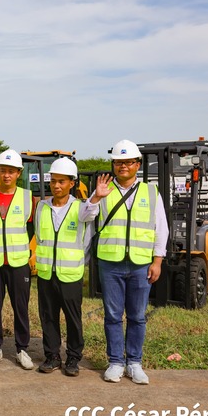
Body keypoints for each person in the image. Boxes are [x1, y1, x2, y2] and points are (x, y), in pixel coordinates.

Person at [81, 139, 168, 385]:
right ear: (113, 164)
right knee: (112, 315)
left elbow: (160, 228)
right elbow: (86, 217)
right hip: (111, 263)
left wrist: (157, 260)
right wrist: (97, 198)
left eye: (128, 162)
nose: (123, 166)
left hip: (140, 263)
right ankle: (116, 362)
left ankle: (135, 363)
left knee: (138, 315)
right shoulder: (104, 189)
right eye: (119, 162)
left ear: (137, 164)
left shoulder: (150, 192)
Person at [34, 158, 90, 377]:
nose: (56, 186)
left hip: (70, 273)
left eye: (61, 182)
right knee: (48, 316)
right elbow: (39, 237)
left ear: (72, 183)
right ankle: (52, 356)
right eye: (53, 181)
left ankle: (74, 357)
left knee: (72, 318)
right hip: (47, 272)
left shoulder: (81, 208)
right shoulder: (41, 207)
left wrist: (79, 263)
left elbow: (87, 240)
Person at [0, 149, 35, 369]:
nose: (6, 175)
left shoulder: (27, 197)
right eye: (3, 170)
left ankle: (22, 349)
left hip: (18, 262)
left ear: (18, 173)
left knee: (20, 307)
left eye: (11, 171)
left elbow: (32, 228)